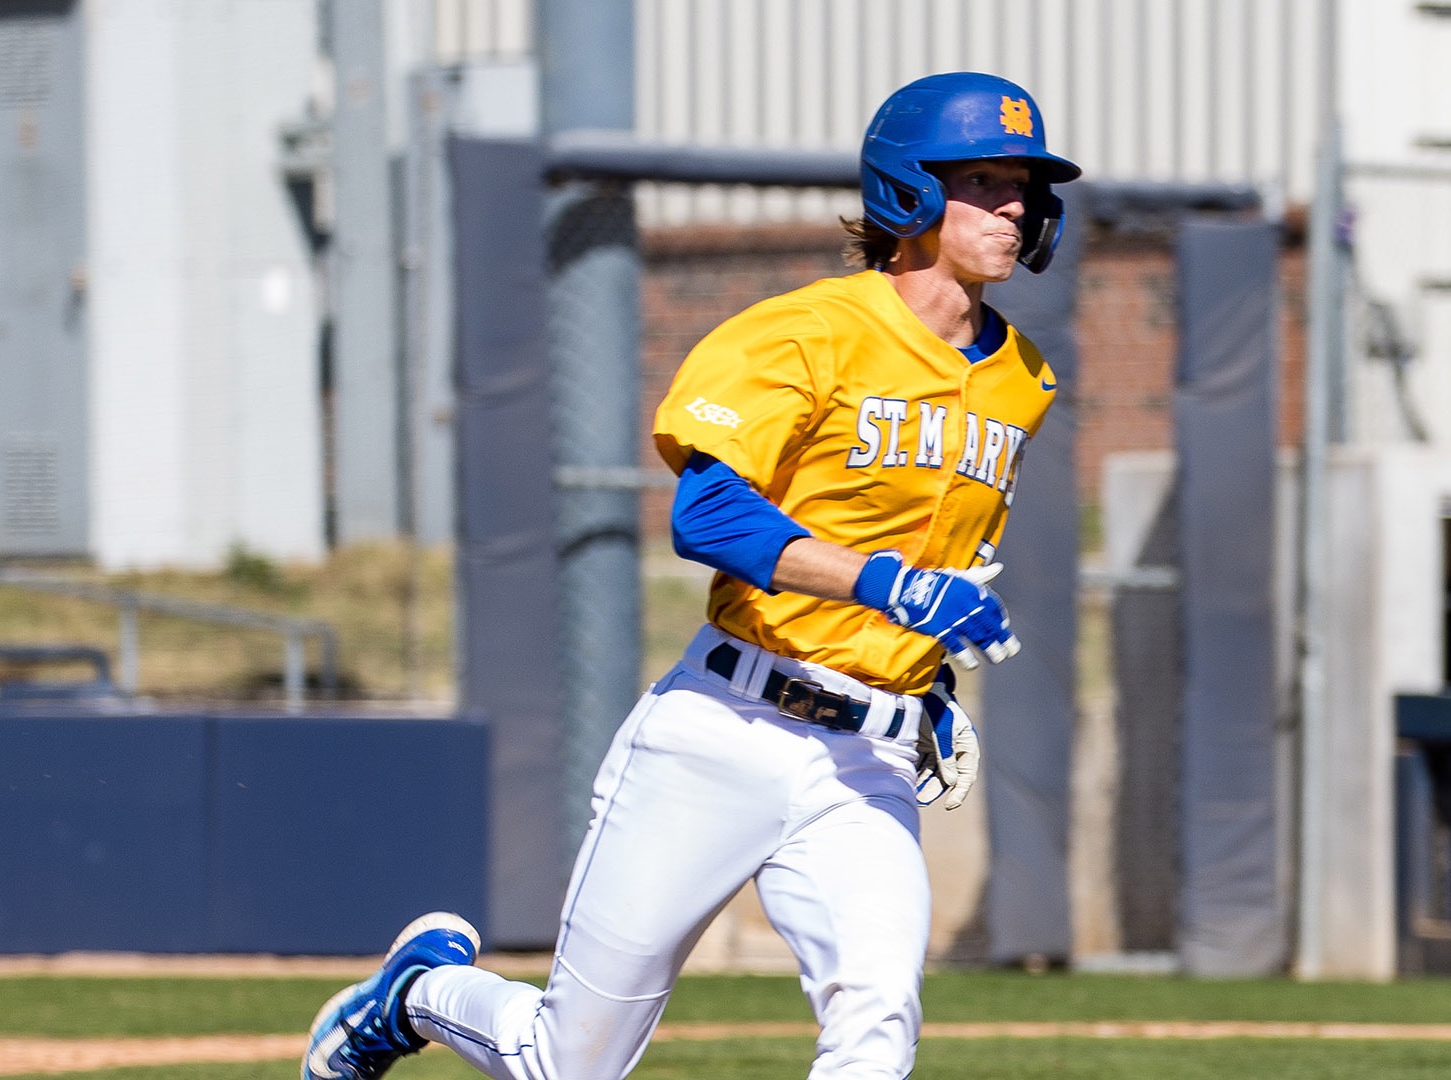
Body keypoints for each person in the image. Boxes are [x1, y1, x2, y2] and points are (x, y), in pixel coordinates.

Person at [302, 70, 1081, 1080]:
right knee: (565, 1063)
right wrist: (884, 588)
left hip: (866, 763)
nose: (1015, 206)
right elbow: (708, 514)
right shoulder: (804, 331)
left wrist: (921, 677)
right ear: (910, 193)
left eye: (1026, 184)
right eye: (985, 179)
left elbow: (930, 553)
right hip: (728, 727)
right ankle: (414, 995)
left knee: (878, 1018)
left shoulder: (1023, 377)